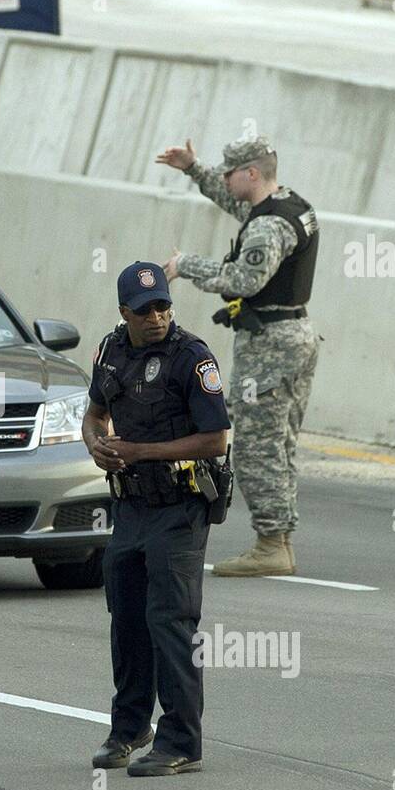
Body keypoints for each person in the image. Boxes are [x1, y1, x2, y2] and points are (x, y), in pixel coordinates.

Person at [82, 261, 230, 776]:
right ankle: (129, 729)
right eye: (145, 310)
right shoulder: (111, 351)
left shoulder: (192, 357)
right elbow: (94, 415)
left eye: (163, 306)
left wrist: (141, 451)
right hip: (131, 506)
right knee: (127, 620)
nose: (157, 317)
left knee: (171, 622)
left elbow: (215, 439)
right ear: (124, 312)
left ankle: (182, 743)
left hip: (180, 507)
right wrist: (96, 446)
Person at [155, 134, 319, 577]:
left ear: (251, 173)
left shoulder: (267, 227)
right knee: (280, 443)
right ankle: (279, 539)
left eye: (230, 172)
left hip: (270, 347)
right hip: (295, 336)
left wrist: (185, 265)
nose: (224, 179)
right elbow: (233, 200)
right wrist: (194, 168)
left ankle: (271, 544)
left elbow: (245, 280)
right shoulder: (291, 206)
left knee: (256, 448)